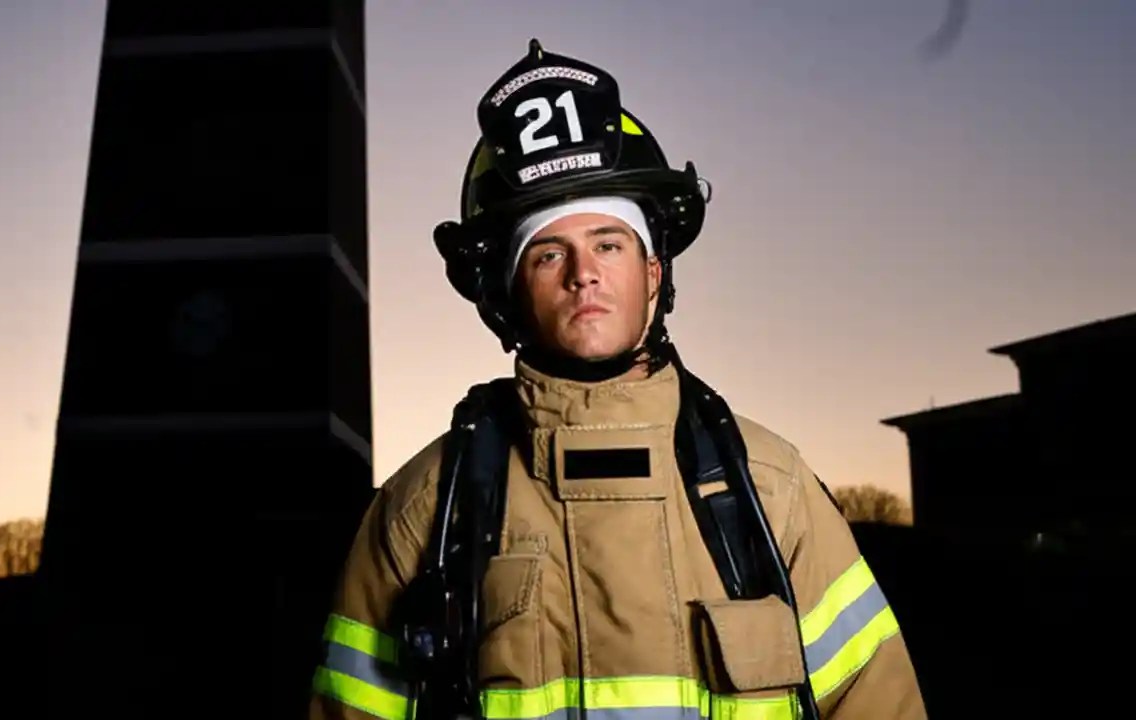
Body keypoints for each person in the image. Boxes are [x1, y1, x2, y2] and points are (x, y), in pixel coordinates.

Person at [310, 39, 927, 720]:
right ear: (508, 294)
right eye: (548, 252)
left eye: (608, 243)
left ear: (654, 273)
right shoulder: (422, 513)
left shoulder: (773, 491)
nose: (584, 273)